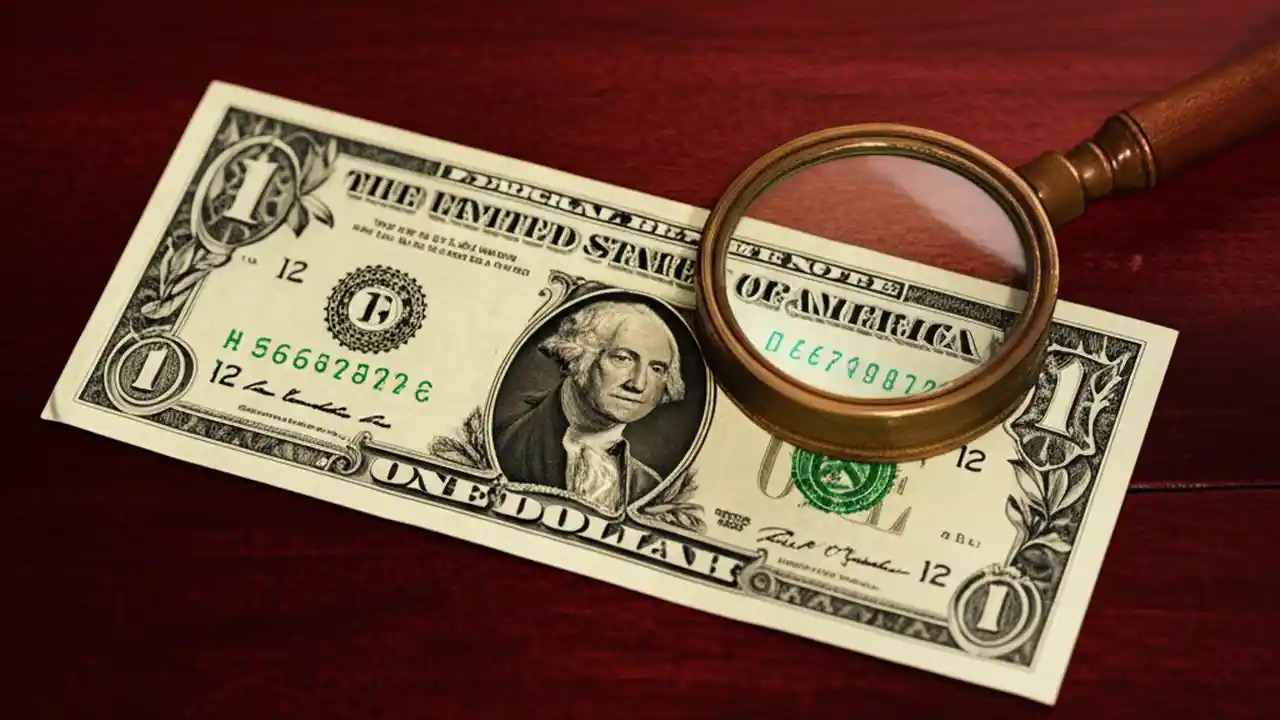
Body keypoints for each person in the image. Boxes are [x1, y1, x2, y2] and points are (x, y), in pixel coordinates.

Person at [494, 299, 686, 514]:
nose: (638, 384)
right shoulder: (505, 443)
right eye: (623, 358)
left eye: (657, 368)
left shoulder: (648, 487)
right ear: (580, 356)